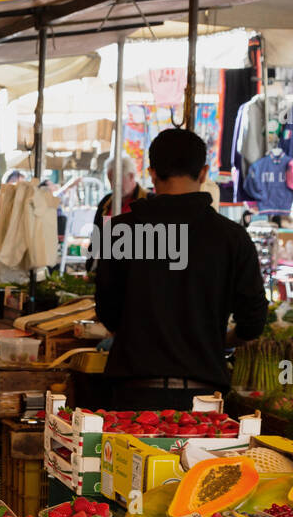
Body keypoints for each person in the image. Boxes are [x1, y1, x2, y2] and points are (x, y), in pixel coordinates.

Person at [94, 128, 268, 409]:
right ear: (204, 173)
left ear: (151, 173)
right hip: (204, 400)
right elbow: (254, 320)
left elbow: (107, 312)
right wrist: (219, 339)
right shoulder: (232, 237)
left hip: (133, 393)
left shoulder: (117, 232)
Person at [85, 153, 149, 273]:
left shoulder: (147, 201)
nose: (112, 186)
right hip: (107, 269)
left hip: (135, 272)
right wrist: (90, 266)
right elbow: (96, 236)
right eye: (110, 180)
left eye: (116, 180)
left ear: (131, 176)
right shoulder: (106, 202)